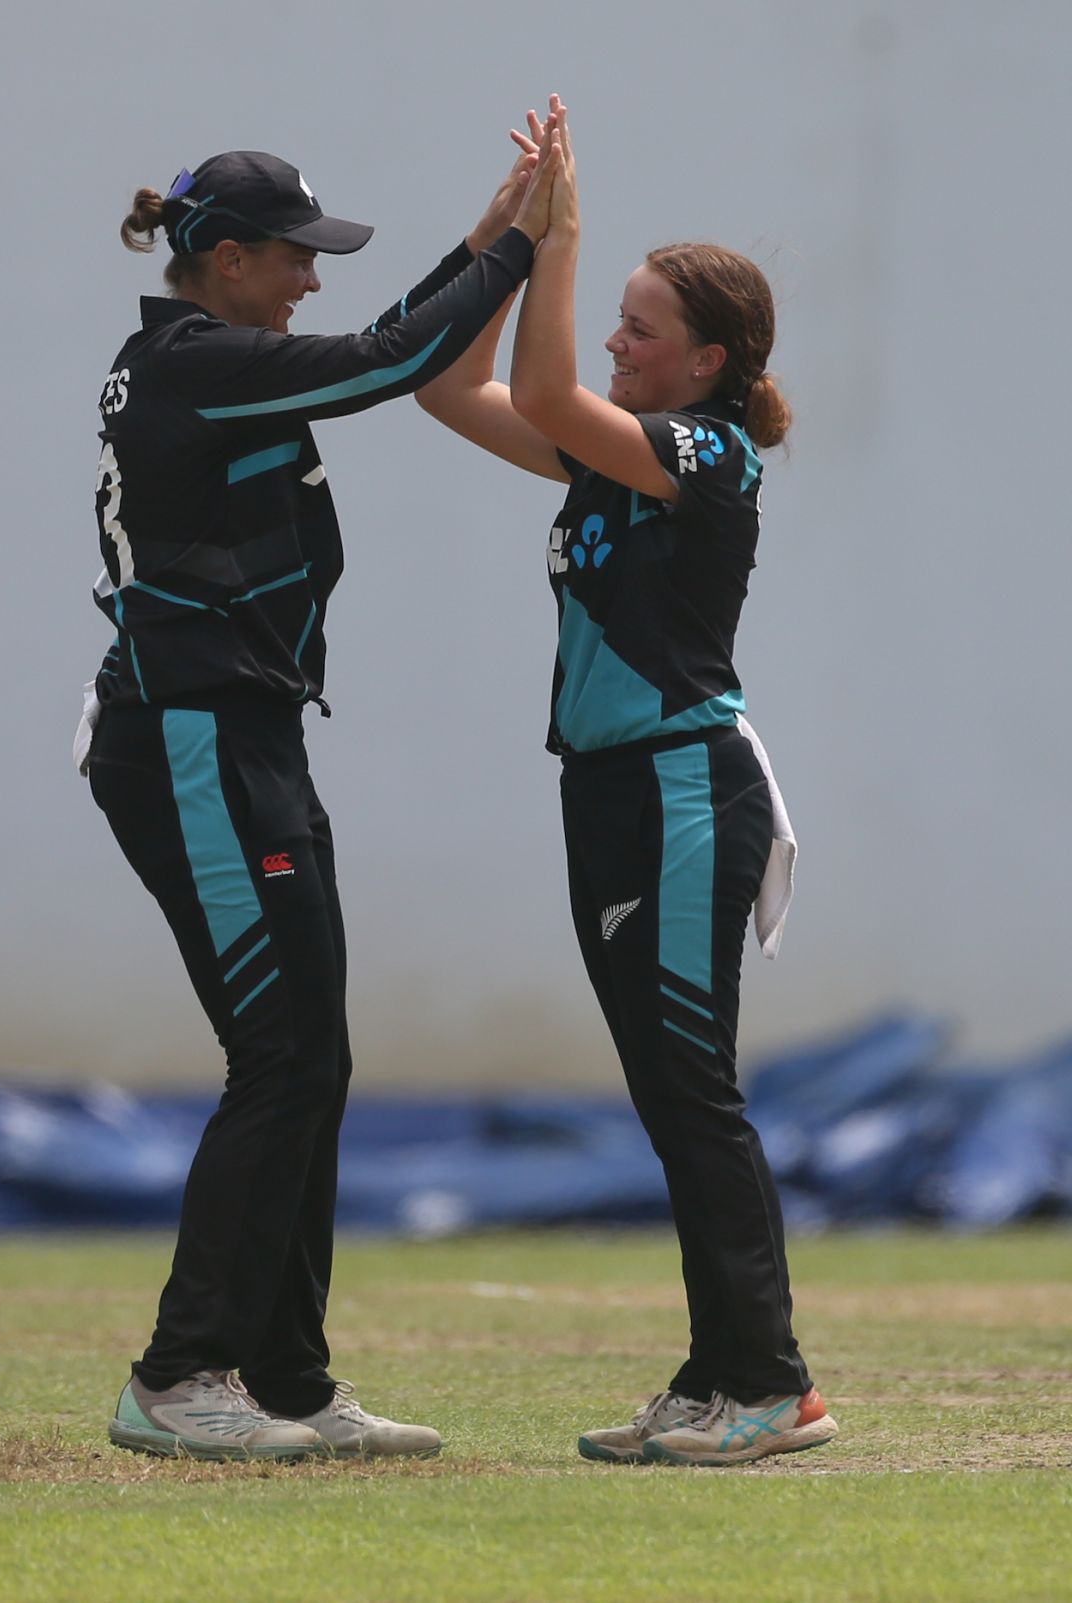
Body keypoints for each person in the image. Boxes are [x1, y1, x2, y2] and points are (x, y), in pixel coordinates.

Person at [79, 140, 557, 1461]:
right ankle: (179, 1377)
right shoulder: (194, 365)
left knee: (312, 1060)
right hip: (193, 745)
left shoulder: (211, 357)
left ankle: (288, 1382)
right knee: (281, 1057)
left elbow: (381, 340)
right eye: (294, 258)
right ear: (227, 259)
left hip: (247, 742)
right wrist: (528, 248)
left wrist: (488, 238)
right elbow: (391, 360)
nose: (308, 280)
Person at [417, 100, 837, 1467]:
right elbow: (449, 388)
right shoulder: (610, 452)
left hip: (683, 788)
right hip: (607, 794)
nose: (614, 340)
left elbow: (543, 395)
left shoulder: (710, 451)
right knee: (668, 1095)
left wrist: (566, 236)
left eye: (640, 328)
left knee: (692, 1091)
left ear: (708, 361)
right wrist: (500, 236)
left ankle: (769, 1386)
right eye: (616, 318)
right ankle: (720, 1375)